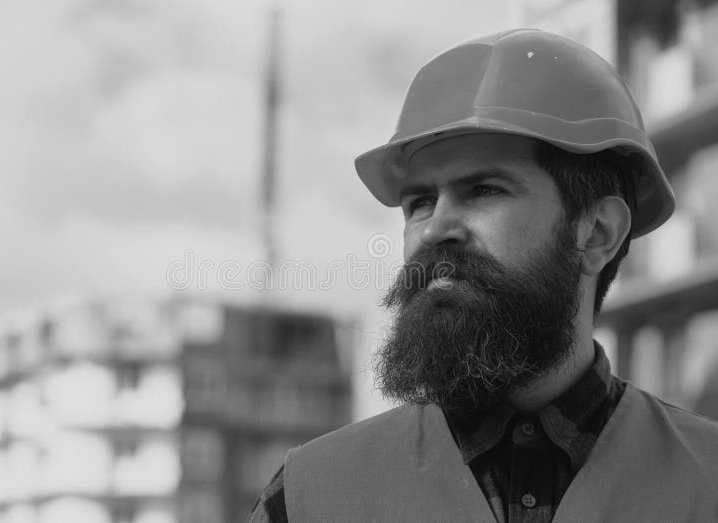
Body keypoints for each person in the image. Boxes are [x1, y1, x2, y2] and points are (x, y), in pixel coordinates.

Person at [248, 28, 718, 522]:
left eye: (485, 190)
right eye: (420, 202)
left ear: (597, 232)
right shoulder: (307, 498)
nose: (435, 230)